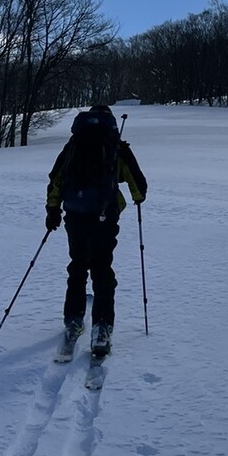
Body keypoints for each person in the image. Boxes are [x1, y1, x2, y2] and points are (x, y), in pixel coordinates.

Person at [44, 104, 147, 358]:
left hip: (75, 214)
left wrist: (52, 211)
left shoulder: (74, 145)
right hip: (104, 216)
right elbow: (140, 187)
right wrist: (135, 197)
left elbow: (56, 178)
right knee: (102, 268)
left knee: (77, 265)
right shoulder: (115, 147)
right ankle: (101, 327)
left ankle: (73, 320)